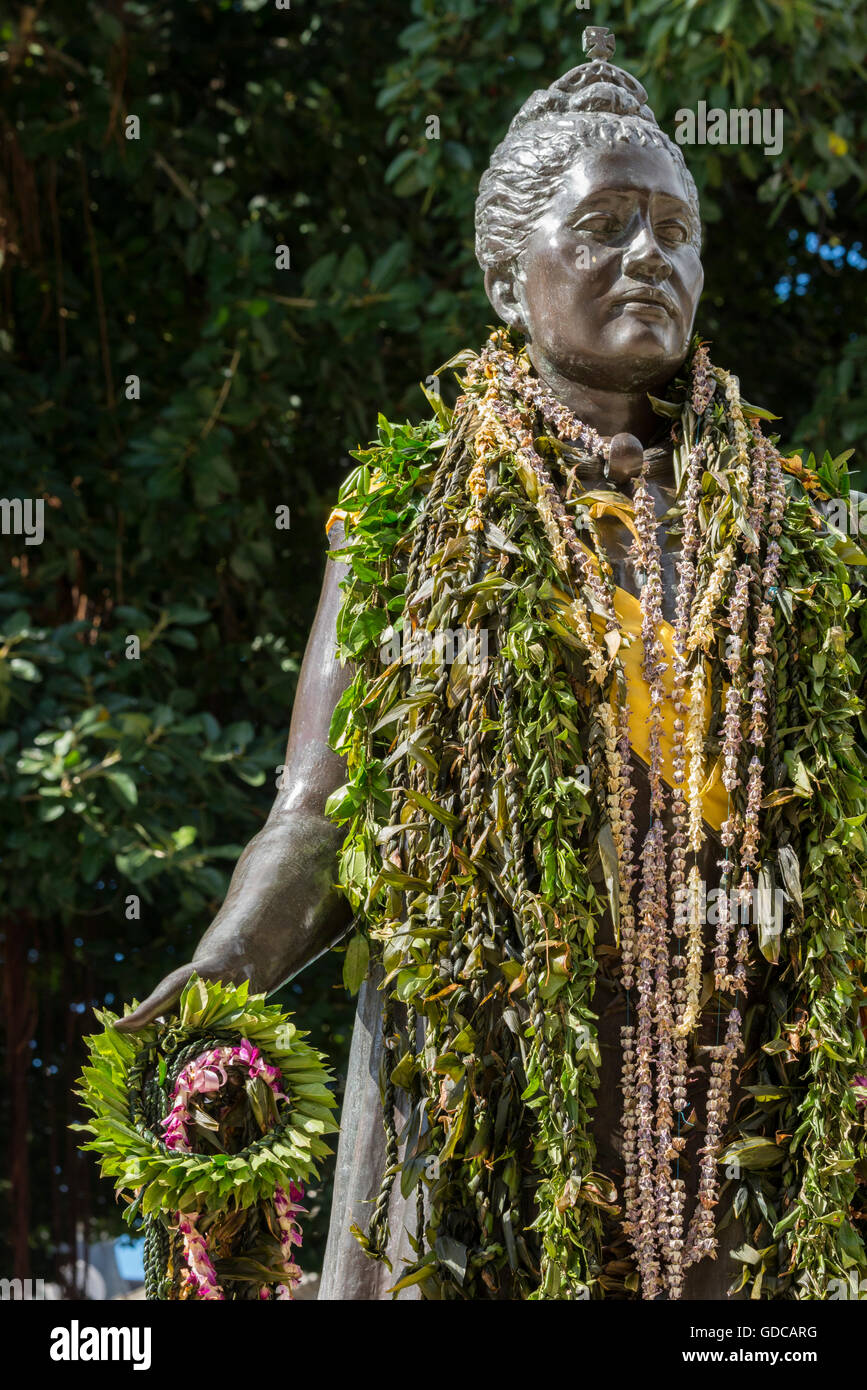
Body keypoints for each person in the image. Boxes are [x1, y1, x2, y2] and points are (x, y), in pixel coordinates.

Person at [119, 29, 866, 1301]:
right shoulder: (409, 526)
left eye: (677, 230)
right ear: (510, 278)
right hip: (482, 1083)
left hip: (739, 1089)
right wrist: (224, 969)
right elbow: (318, 813)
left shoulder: (792, 531)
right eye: (608, 225)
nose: (652, 256)